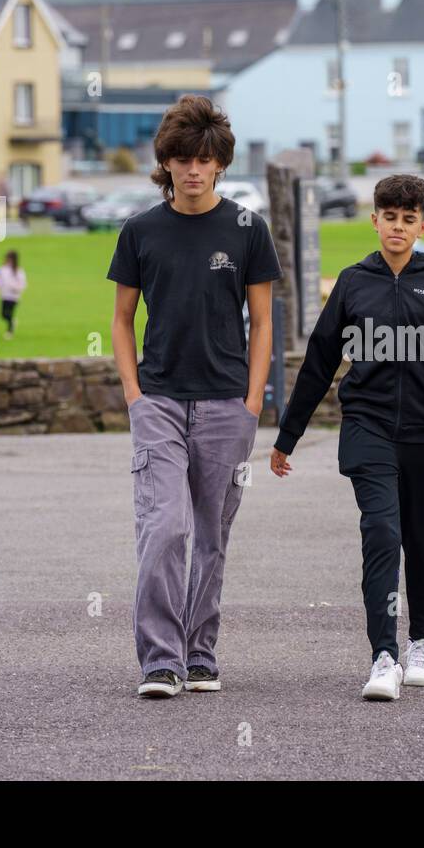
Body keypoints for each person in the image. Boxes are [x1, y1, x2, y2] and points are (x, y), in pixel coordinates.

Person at [269, 174, 424, 702]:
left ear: (423, 225)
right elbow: (319, 362)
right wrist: (287, 437)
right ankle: (384, 656)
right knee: (382, 534)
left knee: (420, 538)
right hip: (367, 428)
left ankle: (423, 640)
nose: (398, 228)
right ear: (375, 219)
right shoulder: (353, 282)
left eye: (409, 220)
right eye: (389, 217)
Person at [107, 95, 281, 699]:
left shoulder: (247, 230)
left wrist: (254, 400)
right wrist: (134, 394)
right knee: (164, 527)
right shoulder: (140, 232)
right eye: (181, 158)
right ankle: (160, 660)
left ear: (220, 164)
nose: (192, 169)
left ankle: (199, 651)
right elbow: (123, 319)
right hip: (157, 401)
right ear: (167, 163)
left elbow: (263, 322)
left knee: (211, 534)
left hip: (227, 403)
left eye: (204, 159)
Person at [0, 250, 28, 339]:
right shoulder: (3, 269)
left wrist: (15, 287)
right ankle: (12, 321)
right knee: (3, 314)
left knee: (10, 313)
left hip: (14, 296)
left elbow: (23, 284)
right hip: (5, 295)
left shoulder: (18, 271)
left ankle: (9, 331)